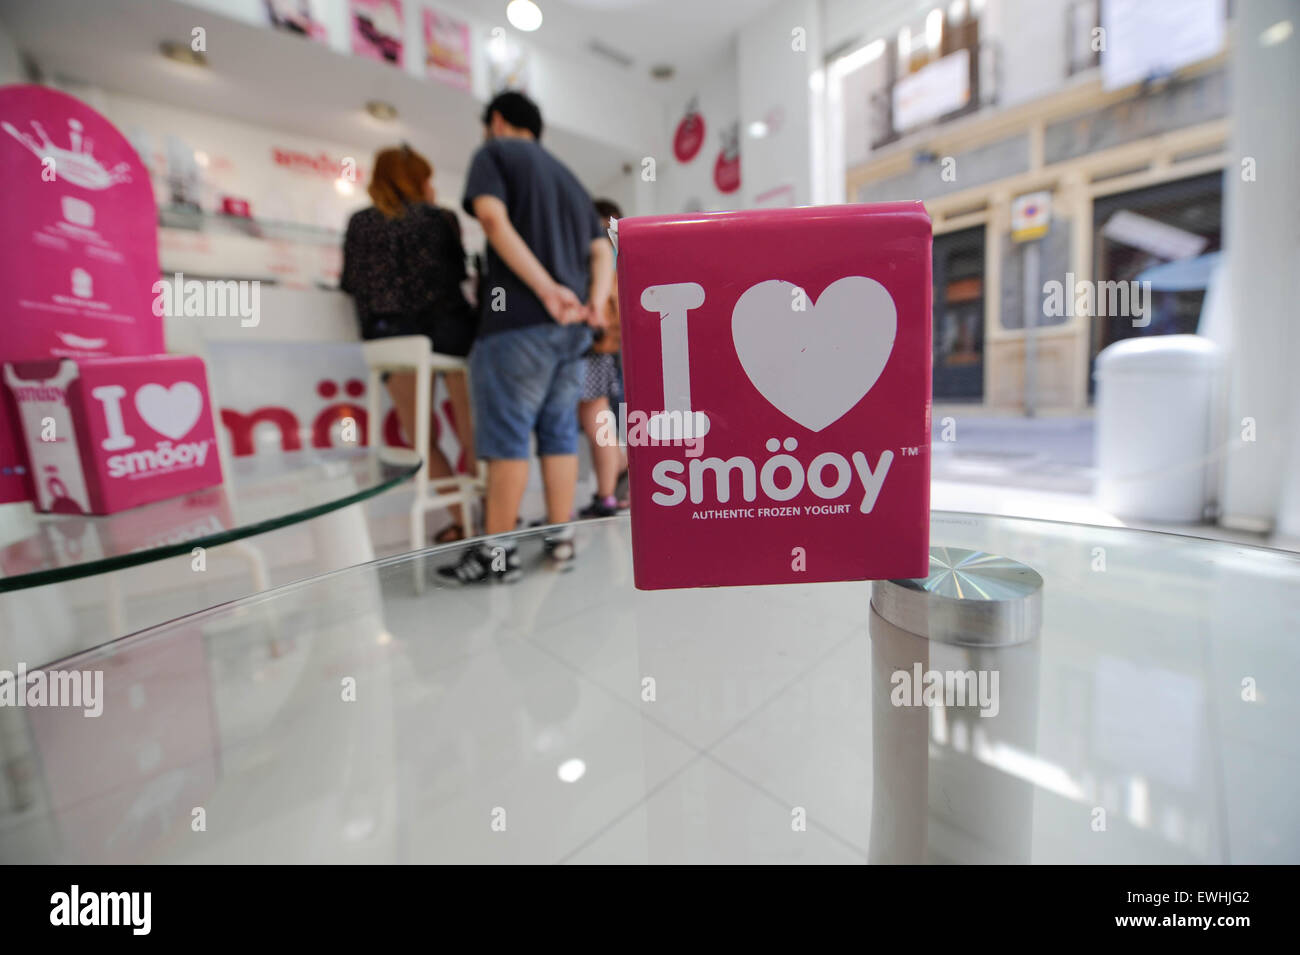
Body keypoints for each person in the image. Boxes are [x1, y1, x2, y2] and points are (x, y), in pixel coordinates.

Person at [439, 91, 611, 584]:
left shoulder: (493, 153)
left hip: (516, 323)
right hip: (573, 329)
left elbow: (491, 218)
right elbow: (602, 251)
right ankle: (561, 539)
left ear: (496, 121)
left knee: (508, 439)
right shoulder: (572, 180)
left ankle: (497, 557)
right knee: (559, 434)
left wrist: (543, 288)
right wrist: (594, 302)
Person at [341, 145, 477, 542]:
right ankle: (494, 524)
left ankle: (464, 523)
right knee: (474, 436)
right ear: (418, 180)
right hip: (449, 338)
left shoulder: (359, 222)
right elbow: (455, 276)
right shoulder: (439, 219)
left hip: (392, 342)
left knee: (423, 440)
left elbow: (350, 283)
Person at [577, 198, 628, 518]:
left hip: (591, 343)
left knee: (597, 421)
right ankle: (611, 487)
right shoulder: (618, 249)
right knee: (601, 419)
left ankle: (607, 495)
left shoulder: (596, 247)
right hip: (607, 345)